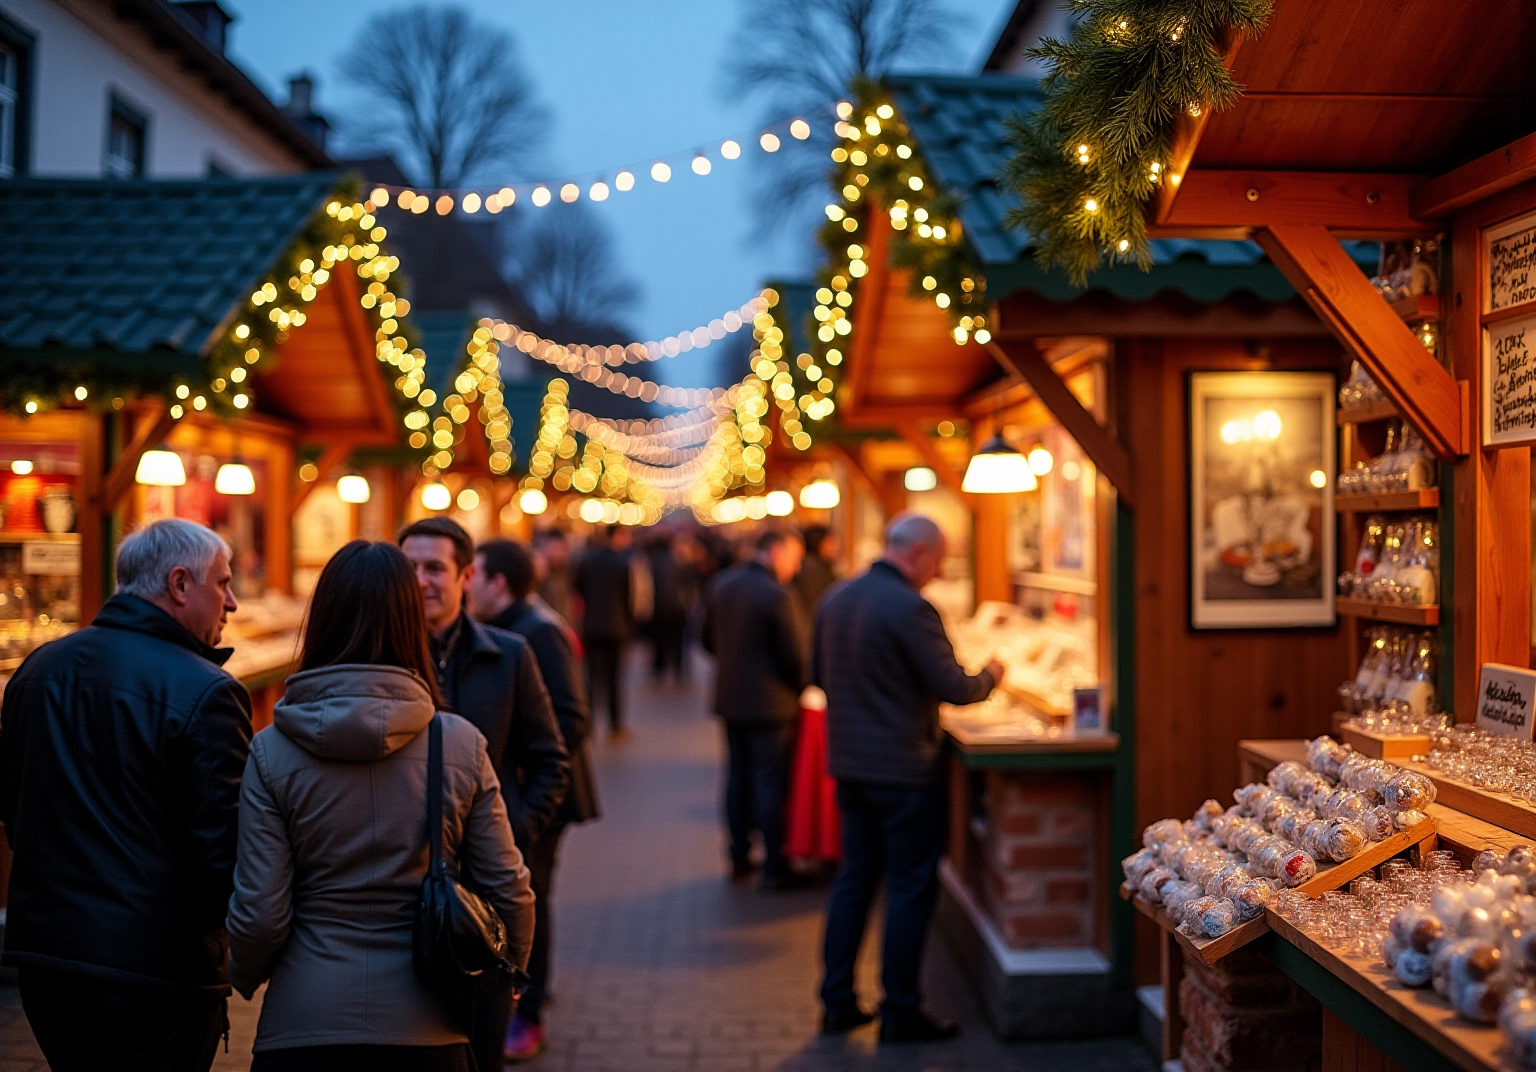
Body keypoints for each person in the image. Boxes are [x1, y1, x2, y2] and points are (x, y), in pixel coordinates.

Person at [228, 541, 536, 1071]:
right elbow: (508, 887)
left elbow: (260, 913)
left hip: (303, 1023)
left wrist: (242, 977)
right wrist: (507, 977)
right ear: (410, 620)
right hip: (429, 1026)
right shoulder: (458, 743)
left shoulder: (271, 750)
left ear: (320, 619)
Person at [0, 519, 251, 1072]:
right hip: (156, 973)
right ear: (180, 584)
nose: (231, 602)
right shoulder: (208, 690)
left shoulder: (37, 671)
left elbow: (16, 815)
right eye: (224, 583)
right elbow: (223, 855)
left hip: (46, 965)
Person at [812, 513, 1003, 1044]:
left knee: (853, 881)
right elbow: (956, 687)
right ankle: (900, 1011)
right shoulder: (912, 609)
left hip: (850, 765)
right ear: (918, 551)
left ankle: (836, 1001)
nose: (938, 572)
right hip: (904, 771)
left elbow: (816, 675)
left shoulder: (836, 598)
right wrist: (992, 673)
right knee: (909, 889)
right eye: (938, 560)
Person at [398, 518, 570, 1072]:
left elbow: (550, 757)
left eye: (434, 568)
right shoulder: (387, 658)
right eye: (409, 568)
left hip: (490, 874)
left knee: (483, 1036)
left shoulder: (509, 654)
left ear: (467, 575)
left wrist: (515, 830)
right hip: (406, 875)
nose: (421, 580)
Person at [468, 538, 600, 1061]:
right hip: (518, 793)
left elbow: (572, 718)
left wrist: (526, 784)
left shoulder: (539, 632)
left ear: (497, 582)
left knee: (532, 898)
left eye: (470, 574)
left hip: (541, 797)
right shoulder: (503, 628)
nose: (464, 585)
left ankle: (531, 1009)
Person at [702, 529, 808, 888]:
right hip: (772, 703)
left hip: (730, 699)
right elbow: (796, 655)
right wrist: (801, 688)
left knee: (736, 777)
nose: (795, 568)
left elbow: (705, 639)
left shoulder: (722, 585)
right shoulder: (777, 594)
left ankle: (738, 855)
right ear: (776, 552)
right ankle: (775, 864)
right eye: (794, 558)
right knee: (769, 784)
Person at [573, 524, 634, 735]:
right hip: (616, 627)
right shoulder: (622, 562)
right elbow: (628, 598)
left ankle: (587, 722)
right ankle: (615, 723)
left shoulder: (586, 562)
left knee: (592, 676)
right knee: (614, 678)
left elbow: (579, 592)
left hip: (591, 626)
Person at [793, 524, 840, 616]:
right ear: (819, 543)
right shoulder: (812, 570)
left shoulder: (816, 566)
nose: (835, 547)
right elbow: (815, 604)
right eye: (830, 542)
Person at [533, 529, 575, 623]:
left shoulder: (566, 572)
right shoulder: (538, 573)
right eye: (555, 548)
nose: (558, 553)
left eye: (562, 549)